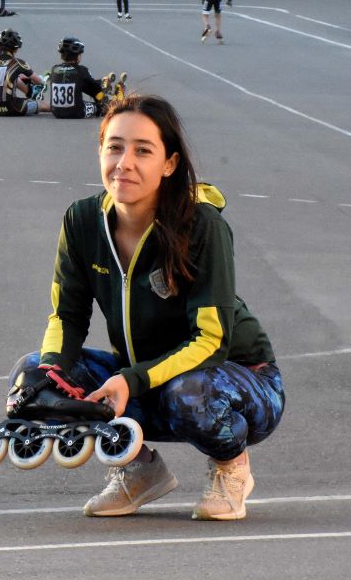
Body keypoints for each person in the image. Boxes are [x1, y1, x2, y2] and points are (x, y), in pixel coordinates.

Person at [18, 94, 283, 520]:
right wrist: (50, 371)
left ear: (169, 164)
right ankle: (138, 469)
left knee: (188, 392)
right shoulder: (83, 220)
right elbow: (67, 316)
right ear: (100, 151)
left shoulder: (202, 225)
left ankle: (231, 465)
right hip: (143, 379)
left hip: (238, 385)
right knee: (33, 373)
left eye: (143, 151)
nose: (125, 162)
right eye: (115, 147)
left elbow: (211, 340)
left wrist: (131, 380)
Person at [0, 29, 49, 116]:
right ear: (16, 49)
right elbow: (38, 81)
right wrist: (42, 80)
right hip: (12, 107)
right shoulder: (18, 63)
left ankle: (30, 91)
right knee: (45, 106)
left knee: (11, 77)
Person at [47, 37, 105, 119]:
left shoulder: (54, 69)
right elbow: (96, 87)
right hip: (76, 112)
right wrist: (102, 83)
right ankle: (107, 105)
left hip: (56, 112)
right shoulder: (82, 70)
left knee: (79, 81)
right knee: (102, 107)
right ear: (77, 56)